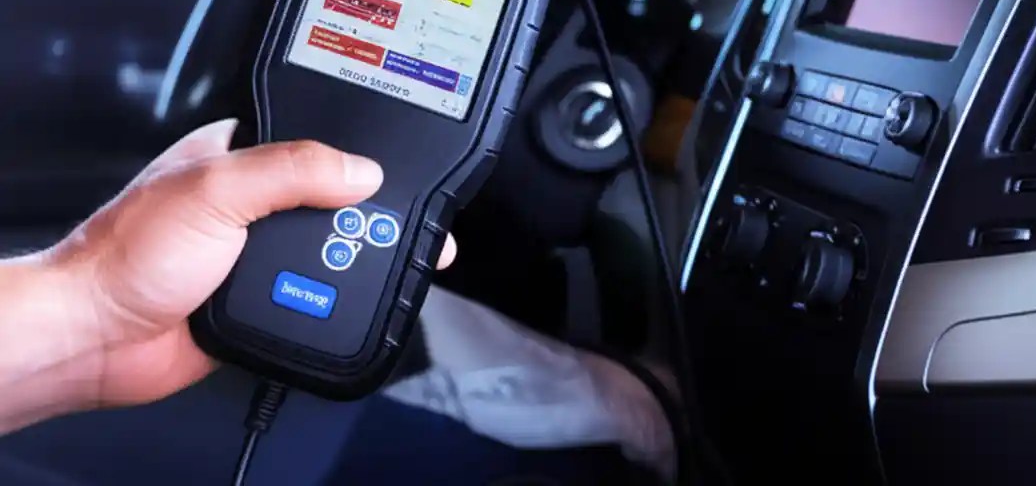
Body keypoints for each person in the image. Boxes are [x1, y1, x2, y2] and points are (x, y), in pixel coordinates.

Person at [0, 119, 675, 482]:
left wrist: (95, 304)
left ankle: (628, 405)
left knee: (414, 314)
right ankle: (639, 412)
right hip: (330, 442)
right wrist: (91, 300)